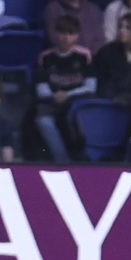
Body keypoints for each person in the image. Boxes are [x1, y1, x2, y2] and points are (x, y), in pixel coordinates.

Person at [34, 15, 95, 162]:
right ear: (55, 34)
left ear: (77, 35)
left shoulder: (84, 55)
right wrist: (55, 96)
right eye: (62, 33)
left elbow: (91, 87)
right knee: (43, 119)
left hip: (77, 100)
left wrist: (68, 94)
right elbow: (40, 88)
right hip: (52, 100)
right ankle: (63, 161)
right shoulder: (45, 57)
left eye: (70, 33)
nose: (65, 38)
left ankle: (84, 159)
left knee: (80, 117)